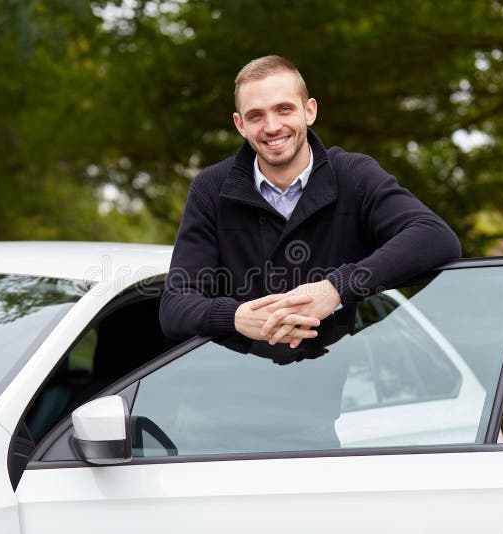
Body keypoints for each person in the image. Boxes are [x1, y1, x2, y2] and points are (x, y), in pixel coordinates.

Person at [159, 55, 461, 346]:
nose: (272, 127)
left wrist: (336, 288)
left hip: (338, 372)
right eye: (256, 115)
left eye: (284, 109)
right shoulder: (210, 189)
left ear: (309, 111)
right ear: (240, 125)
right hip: (238, 375)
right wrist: (236, 316)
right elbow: (174, 307)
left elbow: (434, 236)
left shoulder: (353, 175)